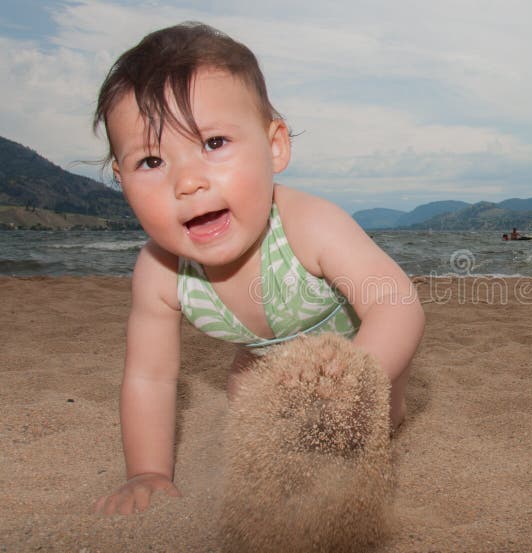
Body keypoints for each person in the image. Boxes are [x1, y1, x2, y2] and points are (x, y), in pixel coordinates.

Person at [91, 22, 425, 516]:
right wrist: (147, 471)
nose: (188, 182)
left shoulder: (308, 224)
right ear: (121, 178)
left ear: (275, 147)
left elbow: (395, 304)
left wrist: (357, 376)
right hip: (269, 366)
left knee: (375, 414)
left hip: (358, 353)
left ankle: (367, 420)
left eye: (214, 143)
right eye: (151, 161)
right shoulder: (159, 273)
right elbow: (150, 377)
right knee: (244, 392)